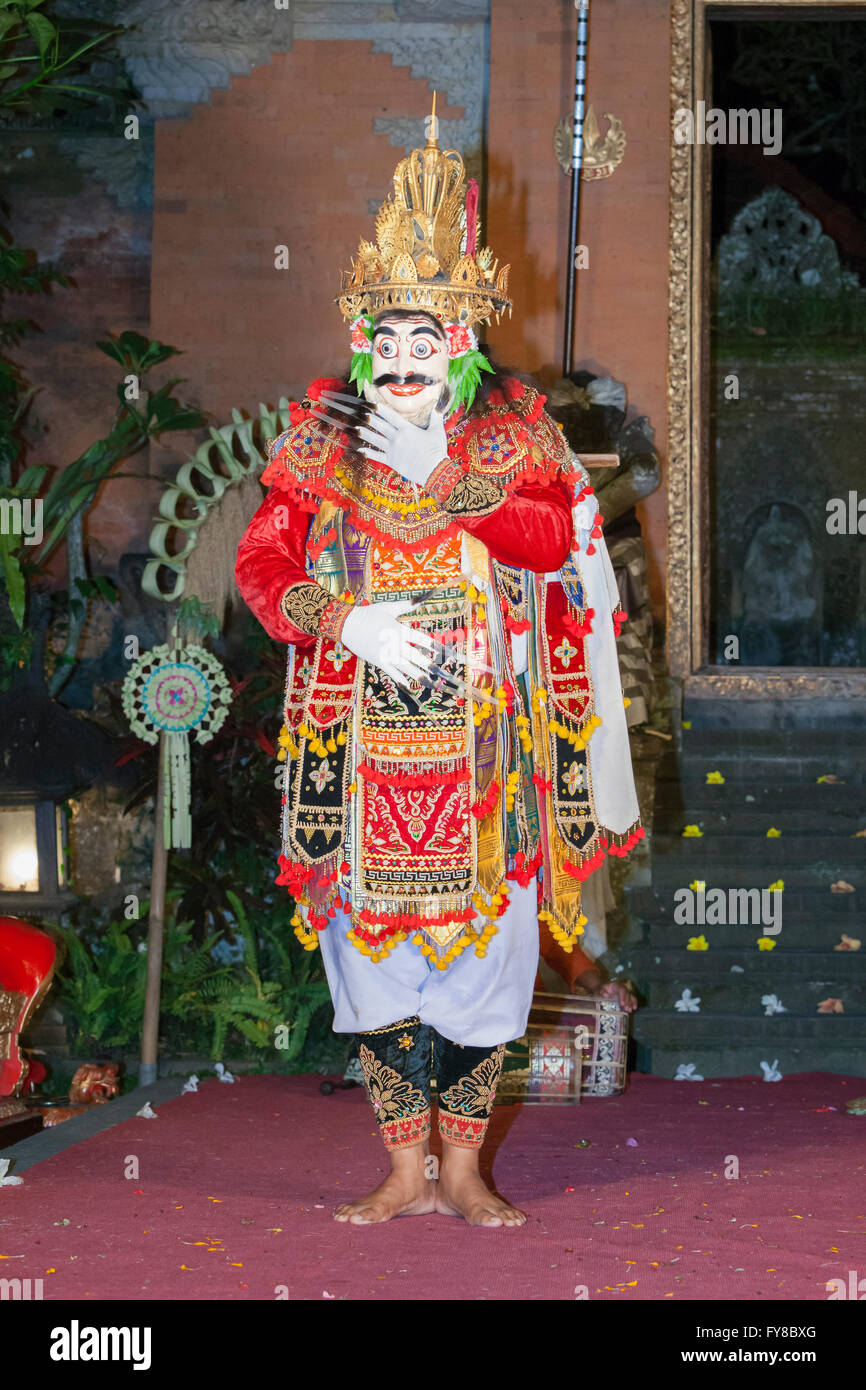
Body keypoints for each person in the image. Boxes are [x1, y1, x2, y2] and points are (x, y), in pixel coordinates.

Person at [235, 111, 642, 1227]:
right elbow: (262, 561)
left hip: (487, 755)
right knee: (372, 977)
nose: (406, 358)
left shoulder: (513, 425)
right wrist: (343, 623)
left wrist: (470, 492)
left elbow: (555, 544)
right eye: (389, 335)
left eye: (426, 337)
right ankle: (401, 1167)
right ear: (366, 334)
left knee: (483, 978)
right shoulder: (322, 430)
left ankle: (462, 1169)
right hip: (355, 751)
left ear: (460, 336)